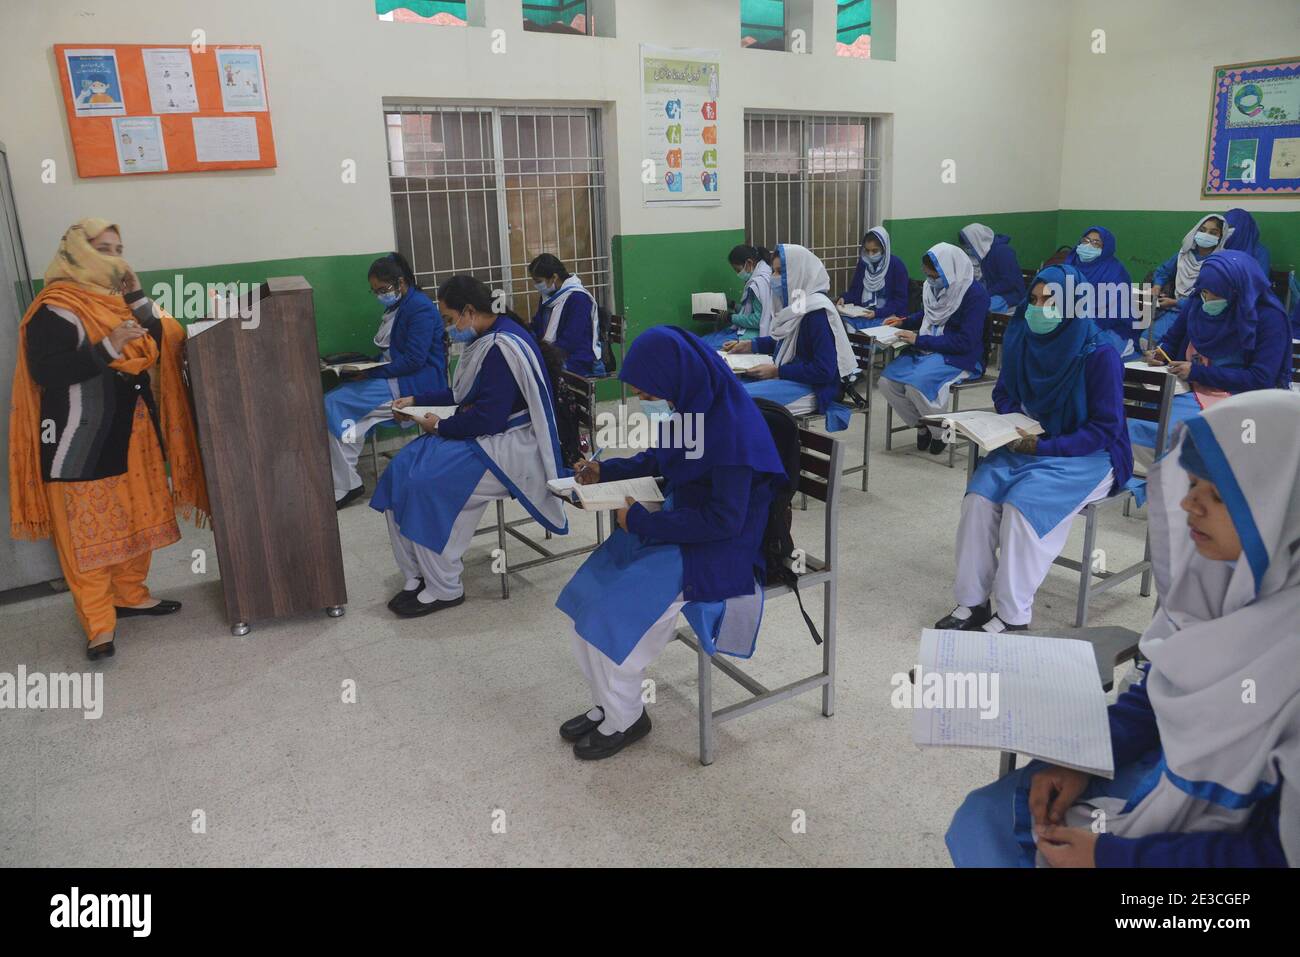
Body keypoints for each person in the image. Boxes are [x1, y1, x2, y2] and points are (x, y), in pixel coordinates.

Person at [946, 390, 1300, 867]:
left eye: (1216, 496)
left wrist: (1112, 858)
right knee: (979, 818)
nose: (1190, 503)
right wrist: (1081, 759)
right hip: (1167, 767)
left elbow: (1277, 851)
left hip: (1227, 833)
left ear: (1282, 513)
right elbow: (1156, 687)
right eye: (1193, 483)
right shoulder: (1217, 579)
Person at [555, 326, 786, 760]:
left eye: (648, 389)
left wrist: (643, 520)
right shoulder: (694, 406)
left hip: (716, 549)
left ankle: (625, 718)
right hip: (678, 523)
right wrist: (606, 472)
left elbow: (724, 521)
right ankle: (609, 704)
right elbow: (661, 460)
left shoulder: (734, 429)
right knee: (587, 599)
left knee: (614, 615)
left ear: (676, 377)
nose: (644, 398)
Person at [8, 219, 209, 660]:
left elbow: (167, 338)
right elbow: (47, 373)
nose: (114, 257)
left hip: (132, 434)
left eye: (119, 248)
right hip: (79, 440)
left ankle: (132, 595)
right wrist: (109, 347)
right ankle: (99, 625)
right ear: (77, 253)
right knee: (88, 535)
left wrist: (136, 295)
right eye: (103, 248)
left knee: (134, 520)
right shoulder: (53, 307)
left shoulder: (116, 301)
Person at [935, 265, 1132, 634]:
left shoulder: (1099, 353)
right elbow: (1004, 393)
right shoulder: (1022, 337)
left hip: (1087, 454)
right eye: (1035, 300)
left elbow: (1105, 429)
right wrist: (1012, 423)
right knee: (978, 498)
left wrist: (1045, 445)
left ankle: (1013, 616)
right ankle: (972, 603)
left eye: (1051, 301)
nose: (1040, 309)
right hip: (1028, 443)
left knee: (1021, 506)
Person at [370, 275, 567, 617]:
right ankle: (416, 573)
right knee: (400, 471)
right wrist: (417, 399)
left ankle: (444, 587)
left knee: (425, 485)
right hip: (486, 435)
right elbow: (463, 395)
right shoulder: (486, 336)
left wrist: (440, 425)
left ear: (469, 311)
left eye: (449, 319)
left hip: (511, 446)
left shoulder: (501, 347)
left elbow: (488, 419)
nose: (448, 329)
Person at [1132, 250, 1291, 471]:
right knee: (1137, 424)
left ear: (1237, 291)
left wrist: (1198, 372)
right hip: (1189, 389)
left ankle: (1194, 490)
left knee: (1183, 434)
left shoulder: (1268, 319)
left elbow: (1261, 379)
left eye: (1215, 294)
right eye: (1204, 291)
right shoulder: (1197, 303)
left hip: (1239, 396)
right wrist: (1160, 353)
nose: (1207, 299)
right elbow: (1172, 340)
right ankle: (1165, 485)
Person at [324, 252, 446, 508]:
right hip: (396, 377)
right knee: (340, 402)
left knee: (334, 404)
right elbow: (393, 352)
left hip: (414, 384)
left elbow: (414, 360)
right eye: (375, 291)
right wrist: (363, 366)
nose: (380, 295)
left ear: (401, 283)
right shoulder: (400, 306)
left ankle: (346, 483)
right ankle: (345, 479)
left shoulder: (419, 308)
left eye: (383, 289)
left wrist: (370, 372)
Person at [722, 243, 857, 432]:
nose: (773, 278)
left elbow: (824, 371)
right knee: (729, 386)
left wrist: (777, 372)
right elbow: (787, 340)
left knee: (738, 400)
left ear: (798, 274)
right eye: (774, 271)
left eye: (780, 272)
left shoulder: (816, 314)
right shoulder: (799, 304)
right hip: (790, 377)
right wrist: (750, 345)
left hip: (814, 388)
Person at [878, 243, 990, 456]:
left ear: (950, 272)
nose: (930, 280)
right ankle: (922, 426)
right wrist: (902, 322)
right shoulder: (935, 287)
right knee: (886, 382)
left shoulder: (975, 295)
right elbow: (928, 314)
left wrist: (919, 340)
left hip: (959, 356)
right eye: (927, 275)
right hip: (927, 349)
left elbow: (965, 341)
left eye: (934, 276)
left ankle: (941, 433)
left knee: (916, 386)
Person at [1149, 213, 1231, 344]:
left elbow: (1214, 298)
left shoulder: (1221, 262)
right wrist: (1157, 286)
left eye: (1213, 232)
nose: (1206, 235)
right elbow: (1163, 271)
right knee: (1147, 340)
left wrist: (1177, 303)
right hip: (1175, 311)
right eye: (1203, 230)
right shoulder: (1183, 255)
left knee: (1175, 345)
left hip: (1202, 313)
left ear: (1220, 237)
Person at [1063, 225, 1137, 356]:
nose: (1088, 246)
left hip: (1106, 327)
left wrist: (1086, 325)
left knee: (1096, 354)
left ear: (1106, 248)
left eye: (1096, 243)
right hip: (1071, 323)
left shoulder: (1115, 272)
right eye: (1085, 241)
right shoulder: (1069, 264)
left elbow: (1117, 312)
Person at [529, 253, 604, 377]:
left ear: (554, 277)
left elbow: (571, 339)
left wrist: (546, 355)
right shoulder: (547, 298)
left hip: (578, 358)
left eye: (539, 281)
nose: (536, 286)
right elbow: (537, 326)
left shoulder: (579, 299)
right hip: (555, 353)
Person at [699, 244, 775, 349]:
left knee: (704, 346)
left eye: (738, 270)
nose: (738, 274)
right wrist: (734, 305)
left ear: (749, 263)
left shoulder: (758, 283)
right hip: (744, 329)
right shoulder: (762, 274)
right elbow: (752, 310)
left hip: (752, 334)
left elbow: (758, 320)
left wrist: (730, 317)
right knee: (702, 341)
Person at [836, 226, 909, 329]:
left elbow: (900, 302)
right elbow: (856, 291)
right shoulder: (864, 263)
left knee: (878, 332)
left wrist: (877, 313)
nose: (870, 255)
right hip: (863, 314)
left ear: (884, 249)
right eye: (867, 250)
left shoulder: (896, 266)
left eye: (875, 251)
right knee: (839, 324)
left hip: (886, 315)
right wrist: (844, 298)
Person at [959, 223, 1025, 313]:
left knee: (979, 308)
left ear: (977, 241)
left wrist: (986, 293)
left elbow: (1009, 281)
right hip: (991, 292)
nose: (967, 250)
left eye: (969, 246)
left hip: (1010, 295)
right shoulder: (983, 253)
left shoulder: (1003, 252)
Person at [1223, 207, 1271, 275]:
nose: (1227, 231)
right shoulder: (1219, 247)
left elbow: (1260, 282)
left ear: (1244, 228)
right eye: (1225, 227)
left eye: (1230, 227)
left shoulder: (1260, 253)